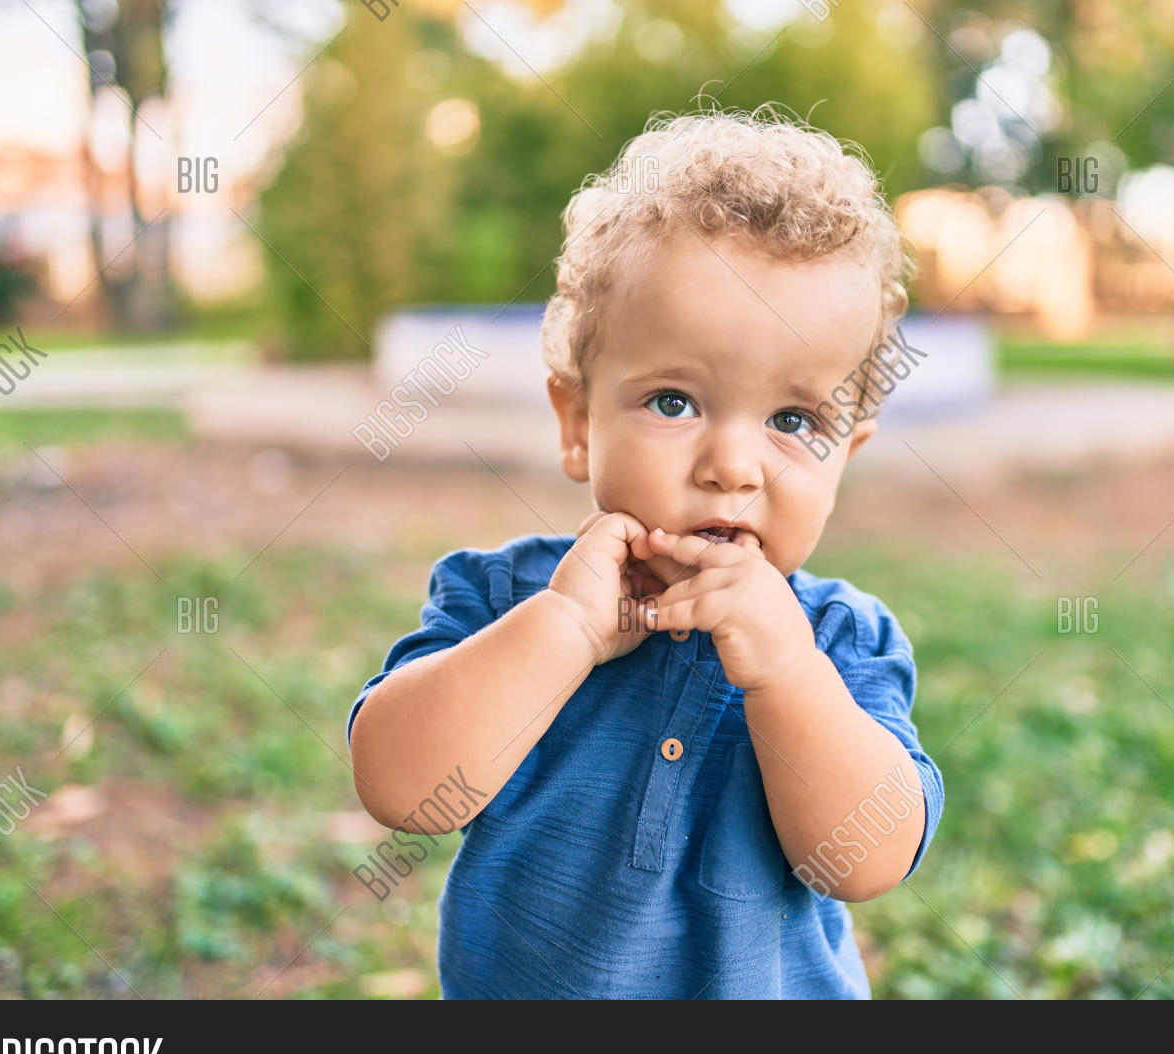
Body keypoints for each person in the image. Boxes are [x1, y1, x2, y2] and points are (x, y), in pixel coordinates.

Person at [347, 106, 943, 998]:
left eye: (793, 420)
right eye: (674, 402)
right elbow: (400, 787)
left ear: (843, 458)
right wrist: (564, 627)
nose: (733, 466)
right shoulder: (506, 594)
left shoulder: (839, 639)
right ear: (578, 423)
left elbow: (866, 860)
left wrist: (785, 671)